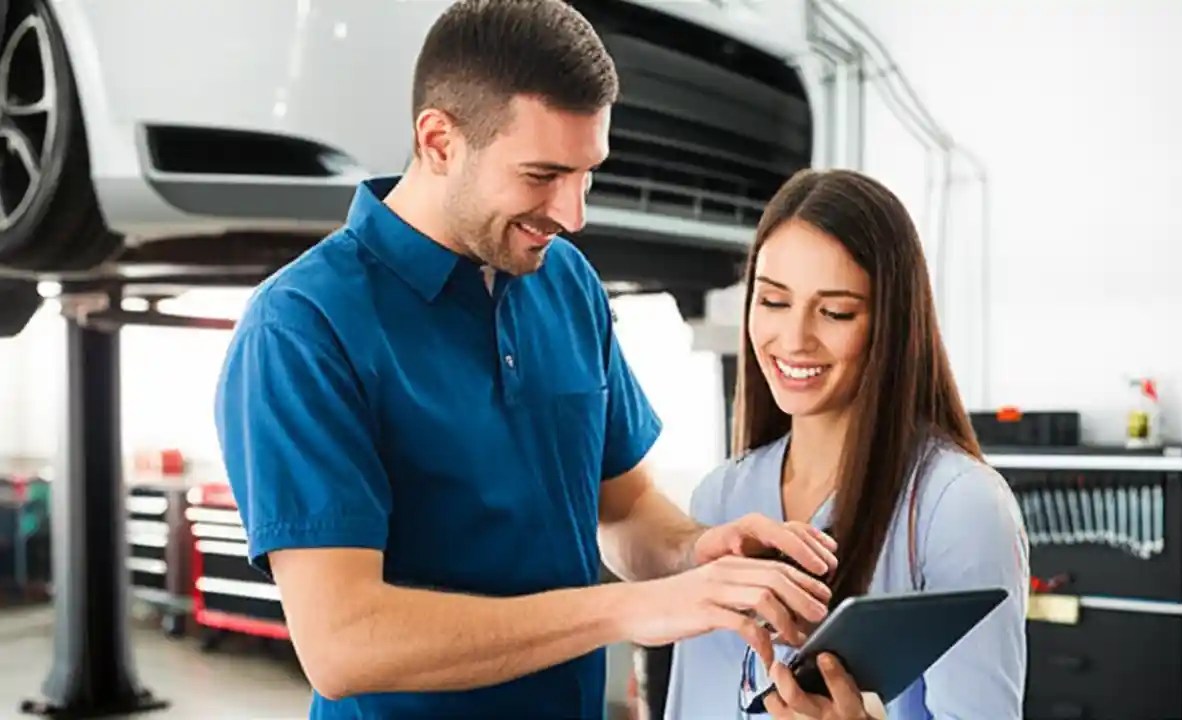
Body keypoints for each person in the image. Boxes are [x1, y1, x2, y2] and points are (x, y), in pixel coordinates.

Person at [212, 1, 841, 718]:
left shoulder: (566, 282)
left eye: (587, 174)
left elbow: (626, 507)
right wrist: (631, 610)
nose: (573, 213)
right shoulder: (302, 327)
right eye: (542, 174)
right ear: (440, 141)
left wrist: (700, 553)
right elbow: (344, 644)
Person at [663, 169, 1030, 720]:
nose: (793, 339)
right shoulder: (722, 496)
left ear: (891, 322)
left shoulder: (957, 506)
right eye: (772, 302)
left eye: (834, 312)